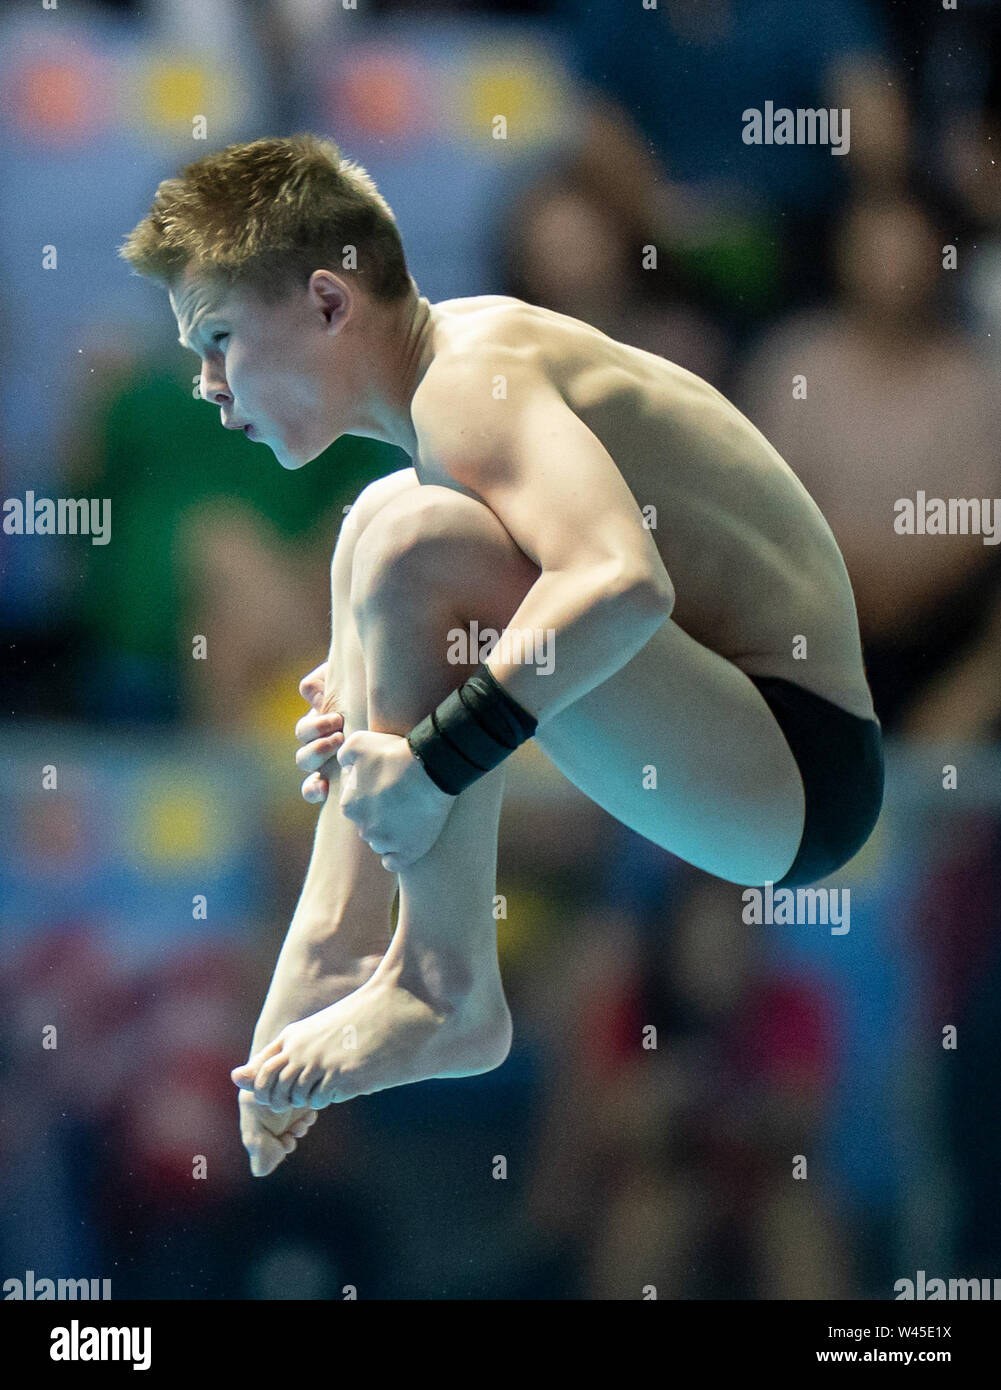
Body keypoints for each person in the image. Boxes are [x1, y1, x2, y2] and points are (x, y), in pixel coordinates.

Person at [119, 134, 882, 1176]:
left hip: (794, 767)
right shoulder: (455, 372)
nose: (205, 383)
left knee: (411, 541)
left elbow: (619, 581)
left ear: (328, 304)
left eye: (217, 338)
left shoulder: (467, 389)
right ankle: (336, 938)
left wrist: (436, 761)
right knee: (379, 522)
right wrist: (380, 684)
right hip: (734, 724)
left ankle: (444, 986)